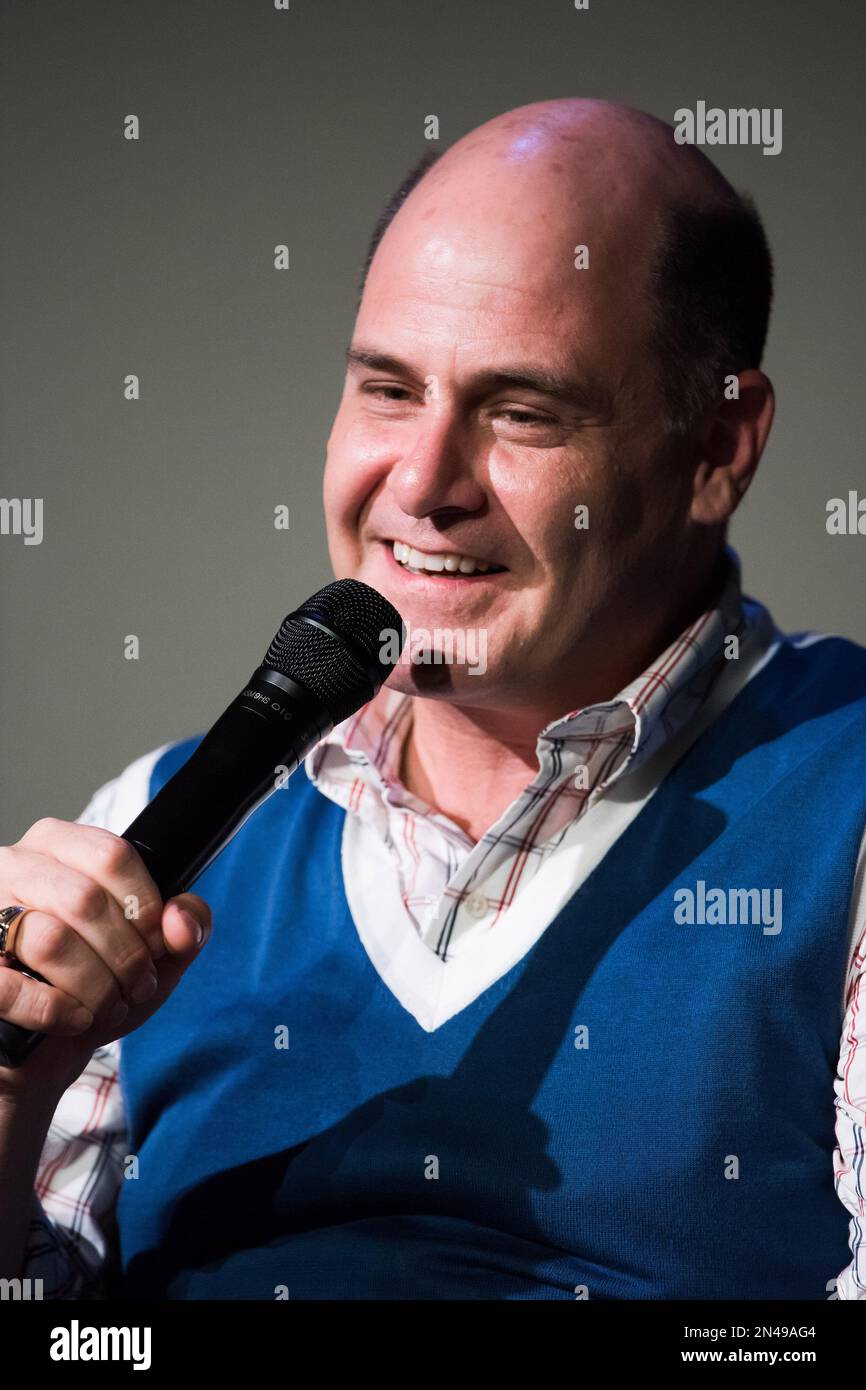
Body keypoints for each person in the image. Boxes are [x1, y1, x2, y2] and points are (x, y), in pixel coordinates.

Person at [1, 97, 865, 1301]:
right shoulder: (156, 826)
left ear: (717, 446)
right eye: (389, 391)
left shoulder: (842, 805)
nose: (419, 482)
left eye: (520, 411)